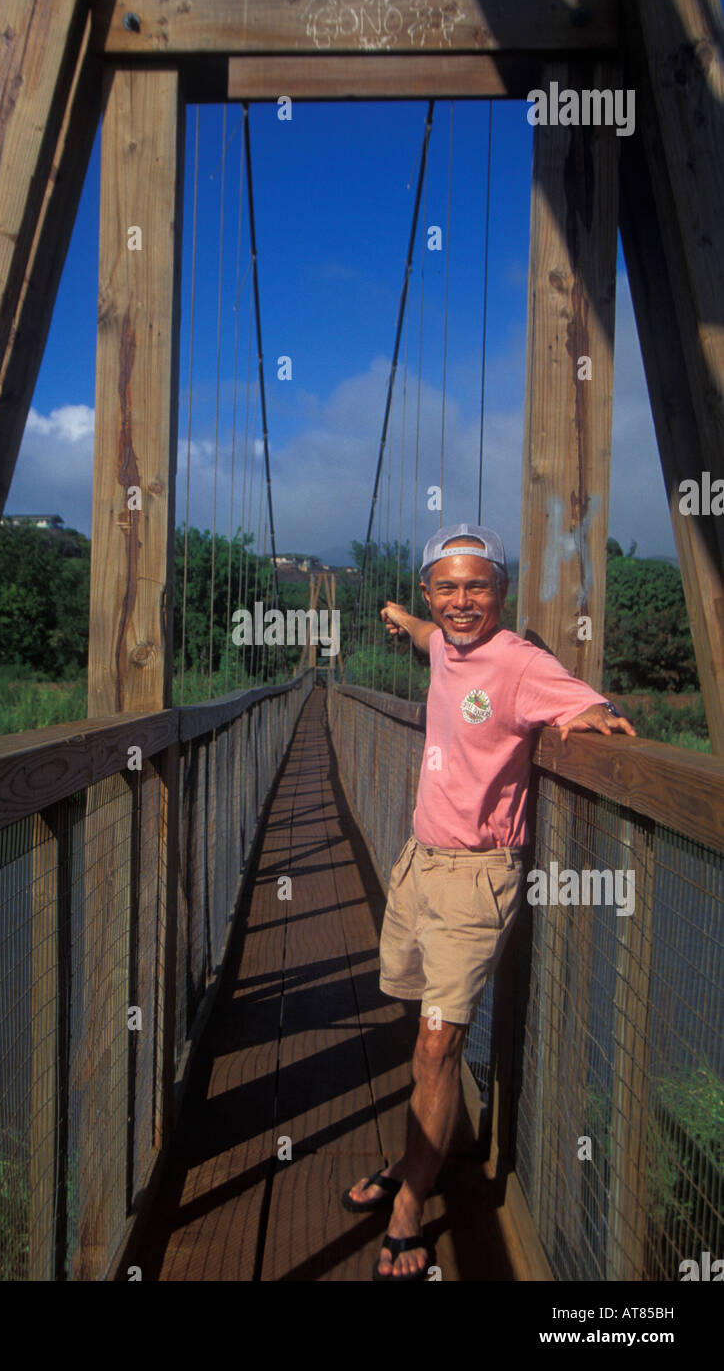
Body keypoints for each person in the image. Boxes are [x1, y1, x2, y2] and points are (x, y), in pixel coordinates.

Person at [341, 522, 636, 1281]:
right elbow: (422, 636)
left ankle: (410, 1205)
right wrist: (400, 621)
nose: (462, 602)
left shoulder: (519, 662)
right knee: (425, 1035)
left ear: (502, 590)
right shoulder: (441, 640)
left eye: (478, 586)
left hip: (478, 878)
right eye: (446, 588)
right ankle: (414, 1159)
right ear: (429, 594)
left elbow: (585, 703)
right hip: (419, 864)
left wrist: (591, 715)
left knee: (438, 1044)